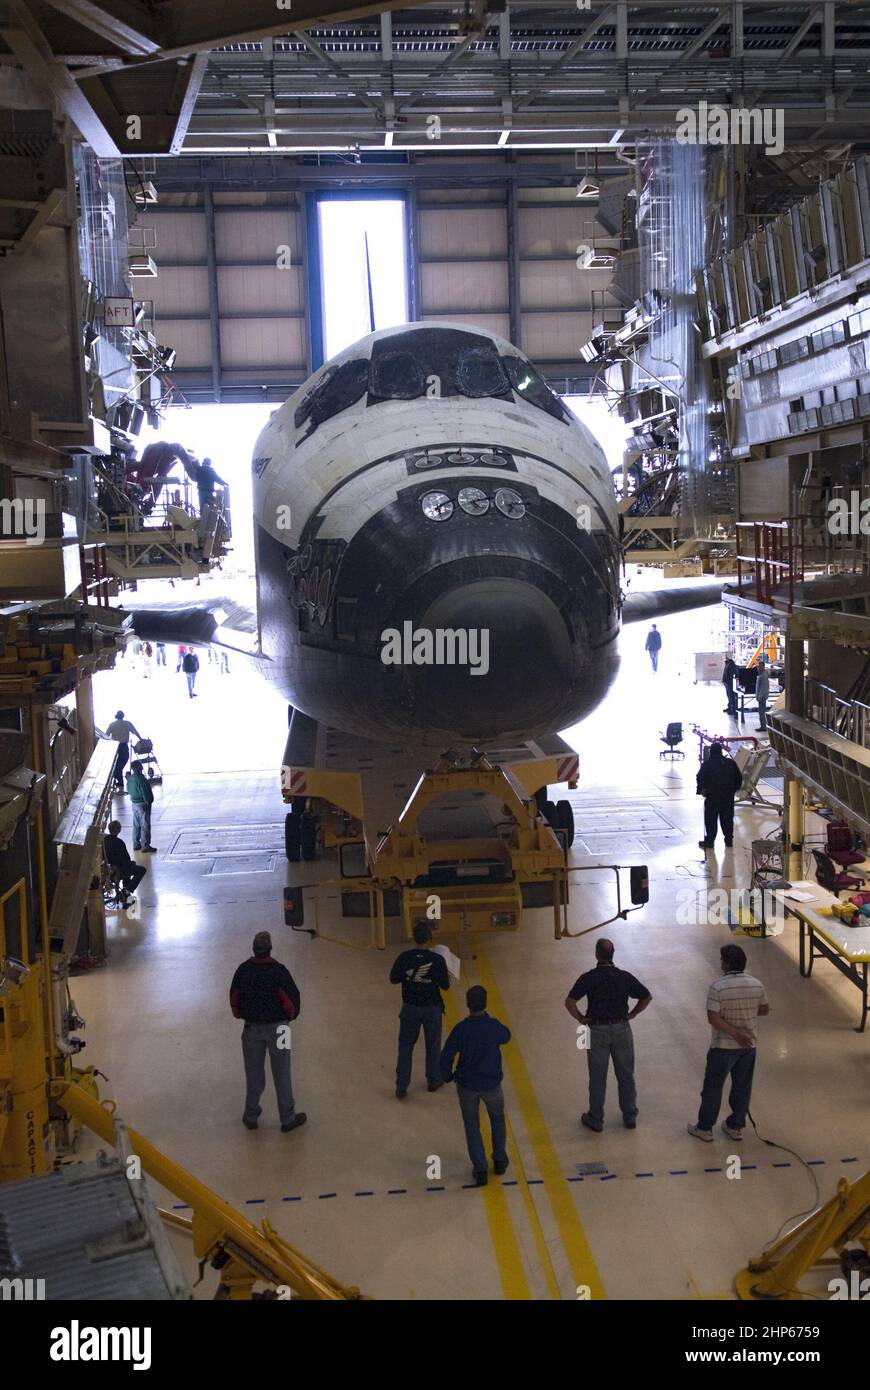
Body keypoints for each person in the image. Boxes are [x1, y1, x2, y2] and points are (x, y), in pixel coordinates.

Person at [564, 938, 652, 1132]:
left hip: (596, 1030)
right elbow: (646, 996)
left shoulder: (588, 977)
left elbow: (569, 1001)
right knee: (626, 1074)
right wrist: (633, 1014)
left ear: (596, 954)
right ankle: (629, 1116)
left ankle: (595, 1119)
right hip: (622, 1029)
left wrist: (580, 1018)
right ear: (613, 954)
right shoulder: (624, 976)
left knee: (597, 1077)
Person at [688, 943, 769, 1142]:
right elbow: (764, 1009)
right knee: (742, 1087)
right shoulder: (757, 984)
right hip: (748, 1047)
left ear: (726, 963)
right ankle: (735, 1126)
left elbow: (713, 1018)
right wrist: (747, 1017)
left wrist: (734, 1032)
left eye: (722, 959)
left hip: (722, 1048)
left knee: (713, 1089)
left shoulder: (718, 987)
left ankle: (705, 1128)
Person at [230, 930, 306, 1133]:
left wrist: (241, 1014)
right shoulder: (279, 971)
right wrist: (287, 1019)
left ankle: (251, 1116)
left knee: (254, 1075)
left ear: (254, 950)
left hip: (251, 1029)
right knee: (282, 1073)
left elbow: (234, 999)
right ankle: (288, 1118)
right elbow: (293, 1001)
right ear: (270, 949)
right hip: (279, 1029)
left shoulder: (243, 970)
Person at [440, 985, 511, 1186]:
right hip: (492, 1085)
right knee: (497, 1120)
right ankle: (499, 1160)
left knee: (472, 1126)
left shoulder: (461, 1029)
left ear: (468, 1005)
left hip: (467, 1086)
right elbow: (507, 1036)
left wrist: (448, 1076)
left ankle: (480, 1169)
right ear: (485, 1003)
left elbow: (446, 1056)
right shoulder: (493, 1026)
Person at [390, 921, 450, 1098]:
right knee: (433, 1045)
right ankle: (433, 1080)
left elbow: (393, 978)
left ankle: (401, 1085)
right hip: (431, 1008)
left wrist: (409, 977)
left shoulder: (404, 957)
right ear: (430, 939)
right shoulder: (437, 960)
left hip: (410, 1008)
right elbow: (445, 986)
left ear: (414, 937)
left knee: (406, 1046)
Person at [697, 742, 742, 850]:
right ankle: (728, 841)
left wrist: (702, 790)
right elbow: (738, 778)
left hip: (712, 797)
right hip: (727, 796)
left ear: (711, 751)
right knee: (727, 819)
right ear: (721, 751)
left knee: (711, 819)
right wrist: (733, 790)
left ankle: (710, 841)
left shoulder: (707, 765)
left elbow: (700, 778)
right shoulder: (730, 763)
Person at [103, 821, 147, 904]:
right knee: (141, 870)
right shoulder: (119, 842)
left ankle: (126, 893)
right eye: (119, 827)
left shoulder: (104, 841)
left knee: (129, 867)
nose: (120, 829)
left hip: (110, 869)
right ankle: (126, 891)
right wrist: (131, 864)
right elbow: (125, 859)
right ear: (116, 830)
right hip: (118, 869)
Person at [105, 709, 142, 792]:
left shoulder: (112, 725)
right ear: (123, 716)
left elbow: (106, 736)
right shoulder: (127, 723)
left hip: (115, 748)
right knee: (120, 765)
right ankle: (119, 782)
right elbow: (135, 732)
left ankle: (119, 782)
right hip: (124, 747)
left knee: (116, 766)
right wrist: (141, 739)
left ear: (116, 716)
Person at [125, 760, 156, 852]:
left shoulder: (130, 779)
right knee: (145, 825)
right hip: (143, 804)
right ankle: (145, 846)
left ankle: (136, 844)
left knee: (136, 825)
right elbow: (146, 793)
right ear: (139, 767)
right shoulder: (141, 779)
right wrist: (148, 802)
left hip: (134, 804)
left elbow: (128, 790)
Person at [755, 658, 770, 732]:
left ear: (763, 667)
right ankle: (763, 725)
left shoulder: (763, 675)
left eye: (760, 666)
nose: (758, 668)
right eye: (758, 666)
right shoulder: (761, 674)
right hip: (761, 696)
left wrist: (759, 697)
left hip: (762, 697)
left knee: (761, 712)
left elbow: (763, 687)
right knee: (761, 712)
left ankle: (763, 726)